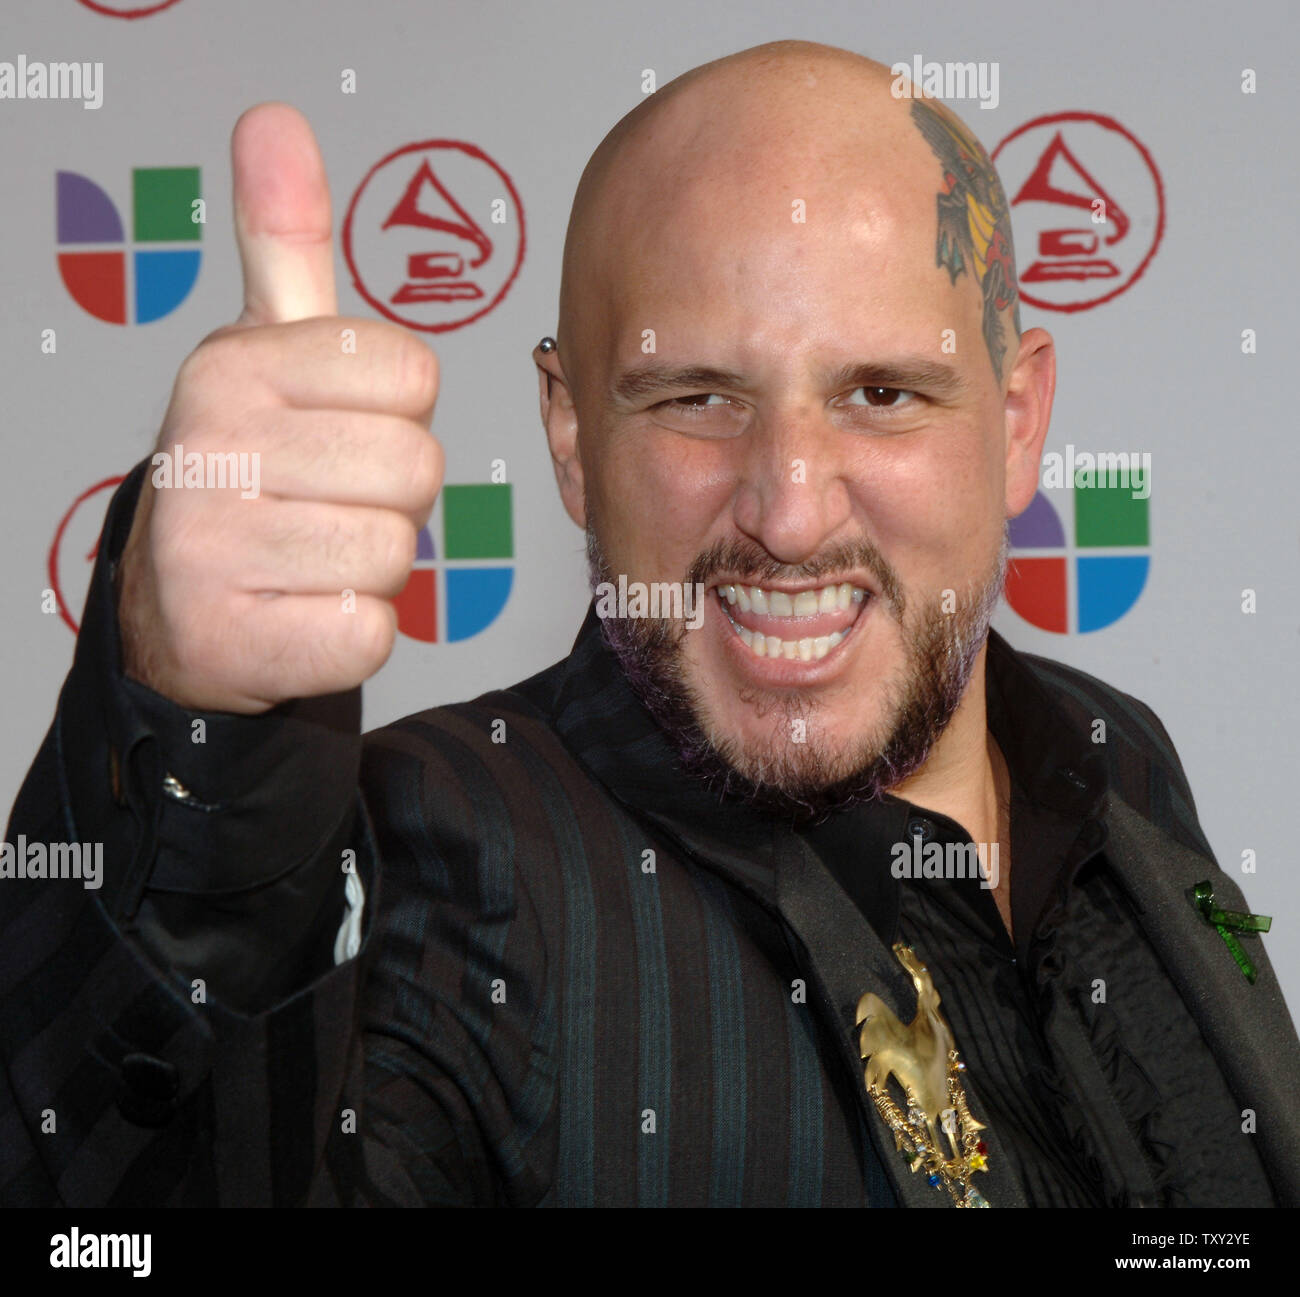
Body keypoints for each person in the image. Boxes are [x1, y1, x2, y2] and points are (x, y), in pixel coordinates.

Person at [2, 40, 1296, 1208]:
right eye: (695, 397)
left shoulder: (1114, 752)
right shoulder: (455, 856)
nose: (790, 510)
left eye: (884, 391)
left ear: (1016, 422)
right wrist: (197, 722)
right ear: (571, 436)